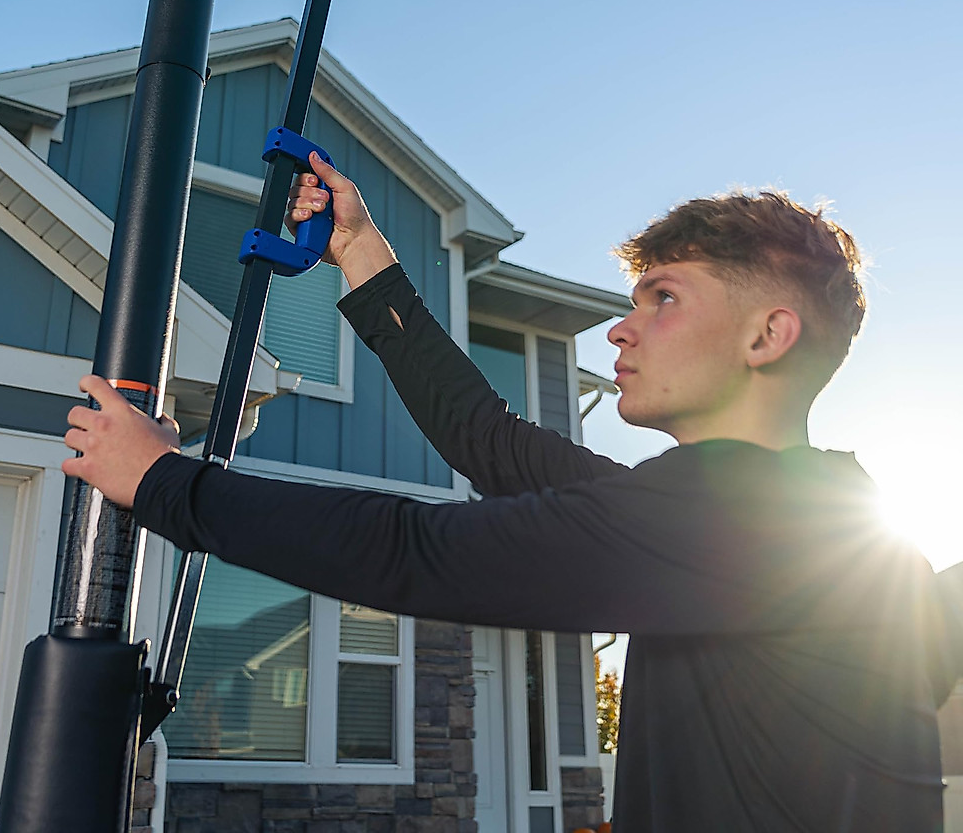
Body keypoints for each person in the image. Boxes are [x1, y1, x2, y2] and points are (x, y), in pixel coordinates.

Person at [63, 155, 961, 831]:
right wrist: (359, 251)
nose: (621, 329)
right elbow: (490, 442)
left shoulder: (745, 522)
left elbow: (412, 552)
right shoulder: (798, 525)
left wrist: (160, 481)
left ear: (768, 335)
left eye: (662, 299)